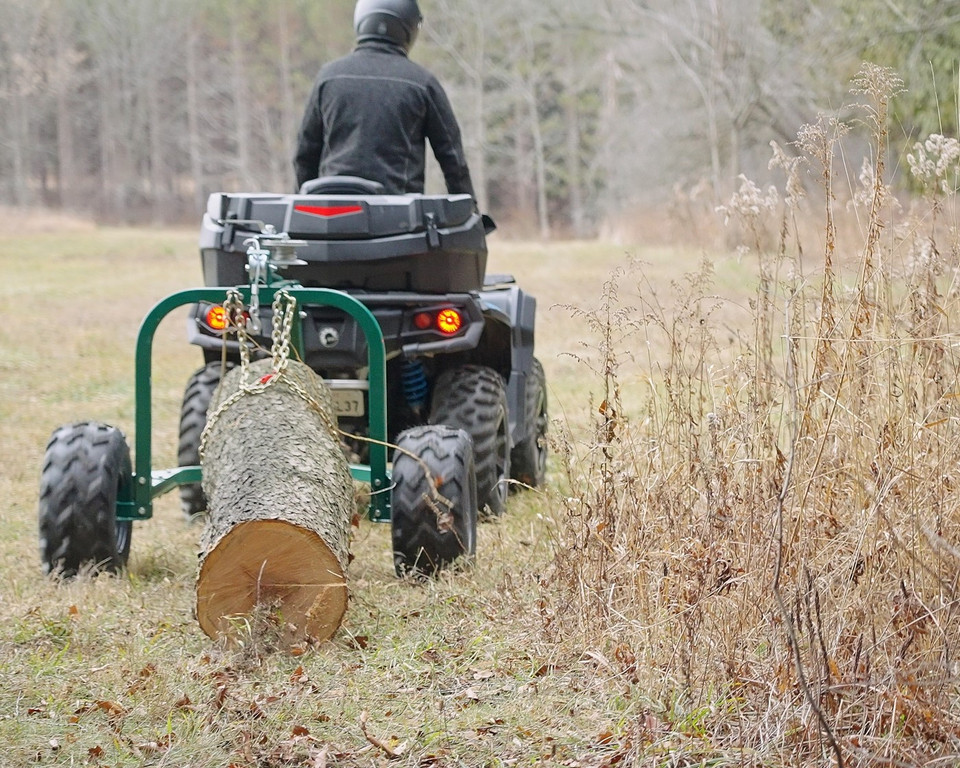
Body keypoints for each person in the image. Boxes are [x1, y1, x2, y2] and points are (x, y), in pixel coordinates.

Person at [294, 0, 475, 199]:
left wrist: (304, 208)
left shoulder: (327, 77)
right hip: (400, 217)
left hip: (332, 215)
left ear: (361, 21)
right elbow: (452, 158)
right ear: (410, 26)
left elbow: (305, 155)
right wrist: (469, 212)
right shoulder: (422, 82)